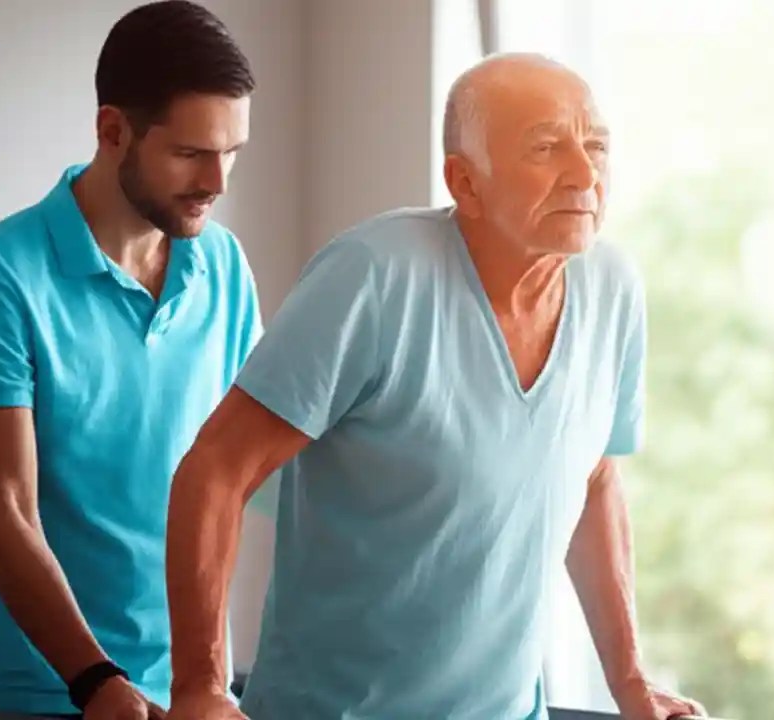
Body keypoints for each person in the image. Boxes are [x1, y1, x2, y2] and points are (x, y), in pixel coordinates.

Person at [163, 53, 707, 720]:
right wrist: (199, 687)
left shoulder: (614, 289)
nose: (585, 174)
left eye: (596, 145)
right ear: (465, 182)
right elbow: (215, 470)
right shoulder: (372, 277)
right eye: (546, 147)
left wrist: (629, 681)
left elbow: (592, 479)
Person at [0, 2, 260, 717]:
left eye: (232, 151)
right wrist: (94, 681)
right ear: (113, 131)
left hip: (193, 692)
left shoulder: (225, 265)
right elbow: (6, 512)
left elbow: (247, 474)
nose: (219, 180)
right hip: (52, 694)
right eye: (191, 153)